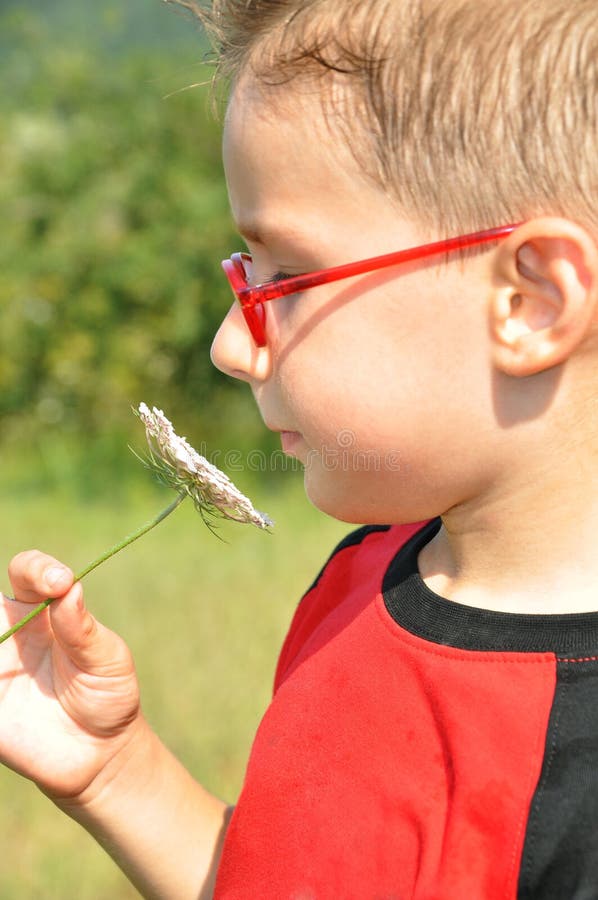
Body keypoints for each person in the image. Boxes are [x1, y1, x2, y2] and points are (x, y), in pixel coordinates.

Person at [2, 0, 598, 896]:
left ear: (531, 302)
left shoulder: (574, 783)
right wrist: (115, 771)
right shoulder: (363, 578)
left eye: (285, 278)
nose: (230, 346)